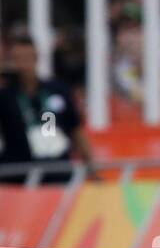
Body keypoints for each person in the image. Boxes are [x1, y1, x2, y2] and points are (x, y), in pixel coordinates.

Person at [0, 35, 94, 180]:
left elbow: (76, 129)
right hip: (19, 176)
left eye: (28, 57)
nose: (24, 63)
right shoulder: (6, 95)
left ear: (37, 57)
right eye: (19, 58)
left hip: (57, 172)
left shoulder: (57, 89)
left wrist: (92, 168)